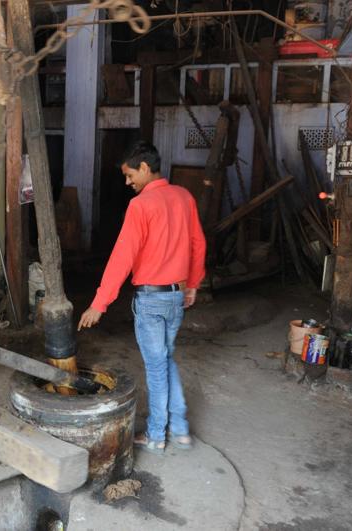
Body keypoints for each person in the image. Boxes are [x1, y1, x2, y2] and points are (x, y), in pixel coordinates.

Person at [78, 141, 206, 454]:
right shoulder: (184, 197)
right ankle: (179, 429)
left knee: (157, 368)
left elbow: (123, 256)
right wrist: (192, 285)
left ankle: (156, 436)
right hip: (176, 298)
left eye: (129, 174)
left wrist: (99, 303)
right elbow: (197, 244)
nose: (127, 182)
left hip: (151, 301)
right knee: (165, 360)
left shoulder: (141, 206)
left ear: (145, 168)